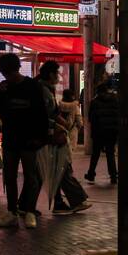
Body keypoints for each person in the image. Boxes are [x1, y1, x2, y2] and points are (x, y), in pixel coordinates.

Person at [0, 53, 48, 229]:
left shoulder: (32, 86)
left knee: (30, 176)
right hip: (11, 139)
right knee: (11, 176)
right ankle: (13, 212)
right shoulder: (5, 87)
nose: (6, 76)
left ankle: (29, 211)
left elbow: (41, 114)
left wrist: (40, 138)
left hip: (28, 140)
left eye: (6, 72)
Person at [37, 60, 91, 215]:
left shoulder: (47, 90)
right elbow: (45, 115)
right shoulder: (45, 91)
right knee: (61, 169)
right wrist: (58, 124)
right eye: (56, 73)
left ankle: (58, 203)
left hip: (52, 136)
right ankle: (73, 201)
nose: (58, 77)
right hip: (51, 137)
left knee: (57, 170)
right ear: (50, 74)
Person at [86, 77, 118, 184]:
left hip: (98, 132)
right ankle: (113, 175)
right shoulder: (115, 100)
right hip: (111, 132)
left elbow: (91, 118)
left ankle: (91, 174)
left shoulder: (94, 102)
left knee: (95, 154)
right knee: (110, 154)